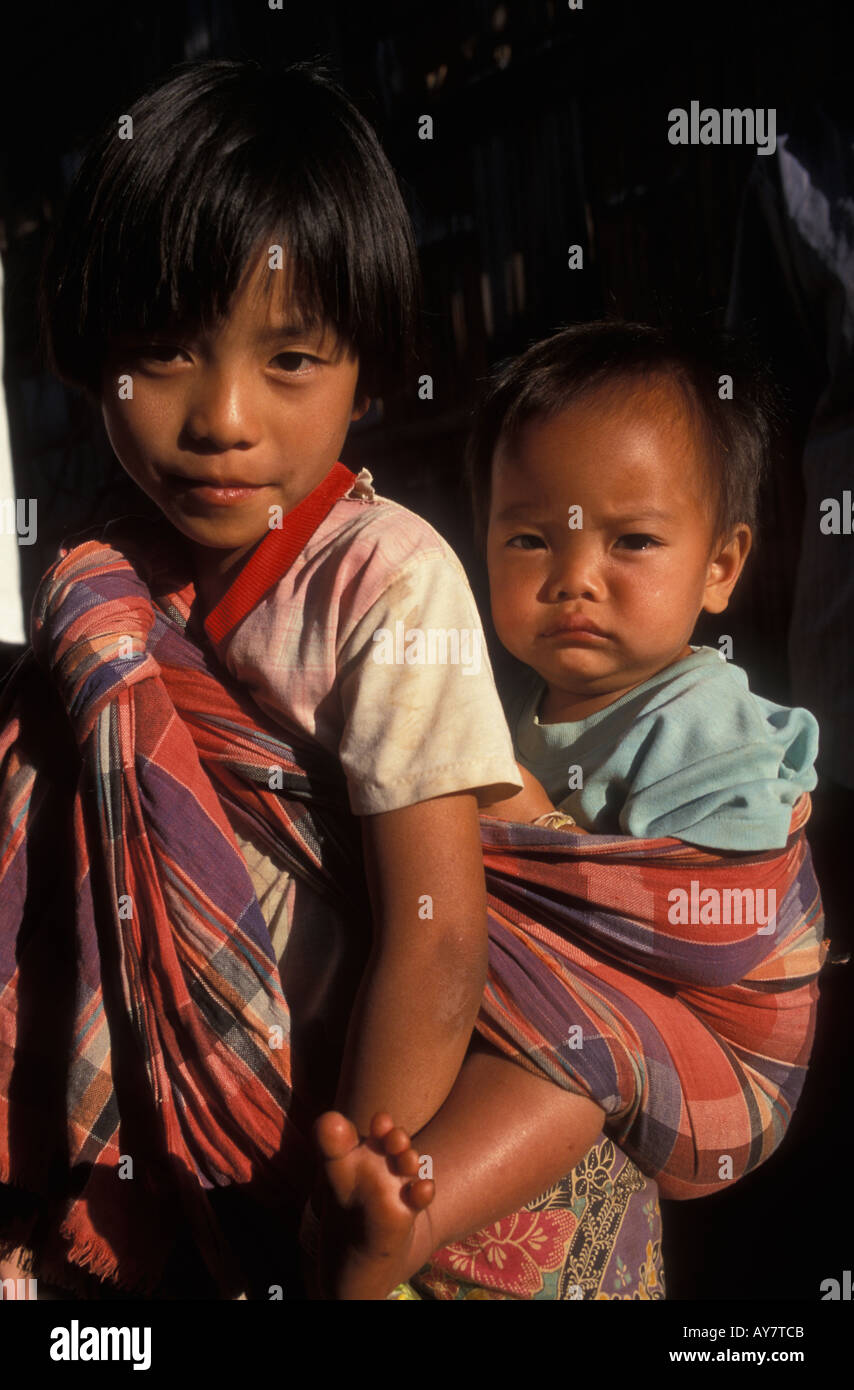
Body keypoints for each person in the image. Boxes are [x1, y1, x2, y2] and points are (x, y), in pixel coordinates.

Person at [0, 61, 822, 1303]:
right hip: (255, 1101)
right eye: (164, 350)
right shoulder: (118, 568)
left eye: (287, 359)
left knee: (571, 1056)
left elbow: (437, 941)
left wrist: (359, 1187)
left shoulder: (383, 581)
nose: (222, 416)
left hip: (410, 1124)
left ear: (365, 368)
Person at [310, 322, 826, 1299]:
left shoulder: (699, 714)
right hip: (632, 1018)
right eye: (529, 538)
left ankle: (414, 1212)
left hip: (725, 1047)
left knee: (576, 1057)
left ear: (719, 567)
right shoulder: (515, 711)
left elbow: (720, 907)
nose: (574, 578)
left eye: (629, 540)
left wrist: (536, 825)